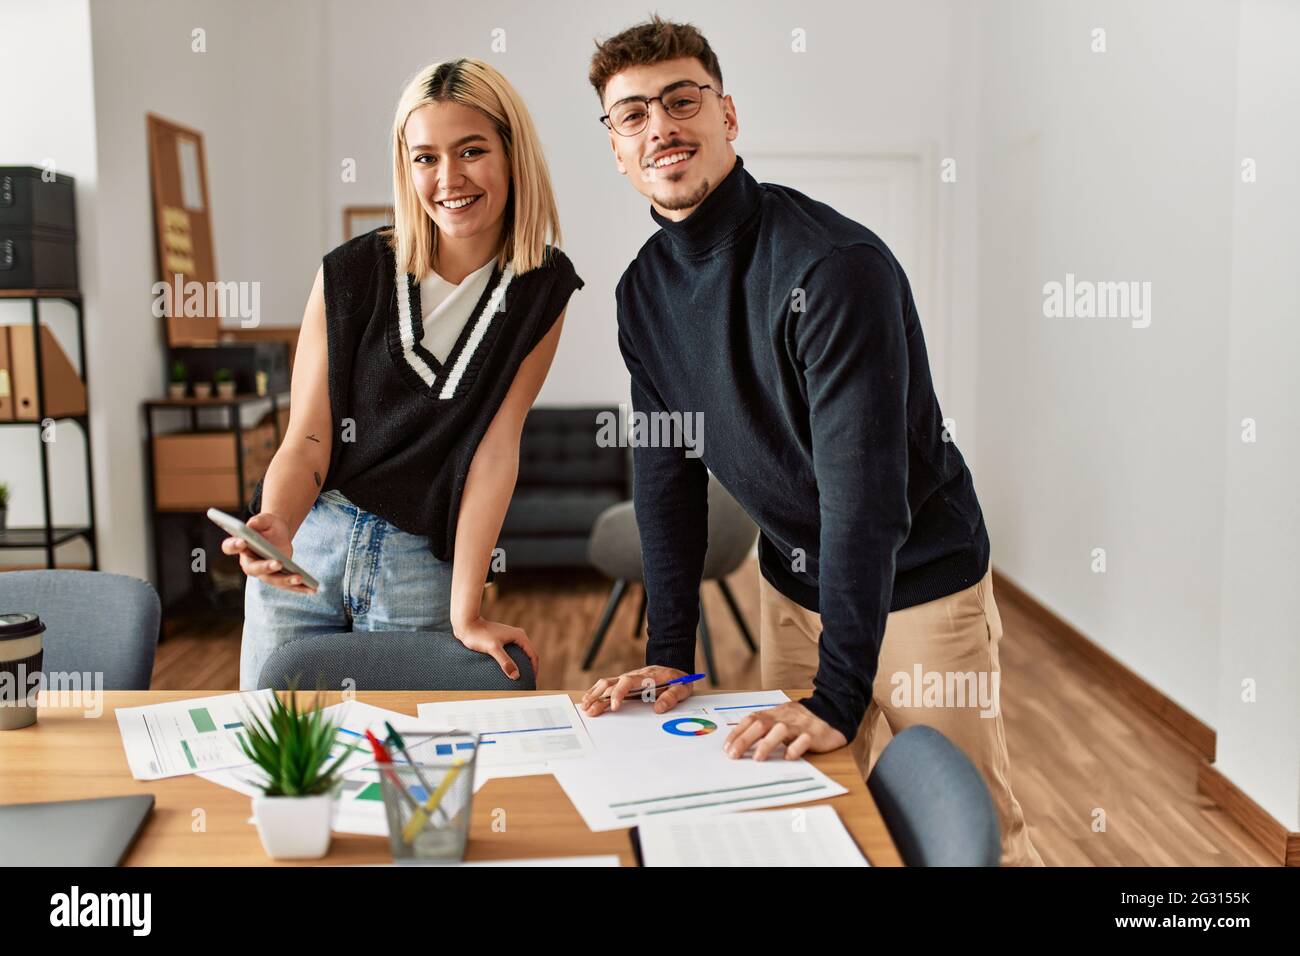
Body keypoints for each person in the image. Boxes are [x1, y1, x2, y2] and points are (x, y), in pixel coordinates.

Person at [578, 17, 1041, 865]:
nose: (661, 127)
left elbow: (863, 498)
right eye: (632, 114)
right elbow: (667, 480)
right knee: (807, 816)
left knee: (970, 836)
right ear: (615, 146)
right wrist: (672, 660)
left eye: (683, 101)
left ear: (728, 116)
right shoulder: (641, 293)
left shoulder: (830, 267)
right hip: (788, 586)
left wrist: (838, 693)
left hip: (918, 587)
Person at [231, 58, 582, 691]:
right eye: (425, 157)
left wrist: (466, 609)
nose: (449, 178)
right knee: (279, 761)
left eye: (471, 150)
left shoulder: (543, 288)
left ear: (512, 154)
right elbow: (307, 437)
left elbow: (495, 453)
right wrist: (278, 521)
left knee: (406, 767)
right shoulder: (350, 273)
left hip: (421, 564)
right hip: (313, 546)